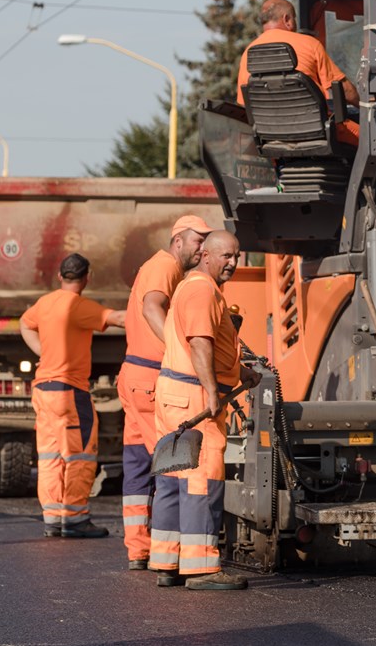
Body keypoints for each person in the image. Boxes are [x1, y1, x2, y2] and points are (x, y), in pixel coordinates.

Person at [149, 231, 261, 590]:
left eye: (237, 255)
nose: (232, 262)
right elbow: (199, 342)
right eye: (226, 255)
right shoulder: (202, 290)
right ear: (205, 256)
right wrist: (213, 390)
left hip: (176, 393)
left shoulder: (191, 287)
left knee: (172, 477)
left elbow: (201, 345)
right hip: (195, 396)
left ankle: (166, 562)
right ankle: (200, 569)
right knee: (201, 481)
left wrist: (239, 372)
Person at [117, 214, 214, 571]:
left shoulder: (160, 267)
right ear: (178, 241)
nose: (201, 248)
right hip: (149, 378)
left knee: (138, 463)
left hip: (135, 375)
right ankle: (168, 552)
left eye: (206, 242)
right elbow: (151, 306)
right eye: (196, 241)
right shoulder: (165, 267)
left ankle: (140, 548)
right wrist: (179, 348)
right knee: (171, 462)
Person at [20, 253, 125, 538]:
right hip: (70, 391)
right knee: (79, 454)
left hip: (43, 389)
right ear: (87, 277)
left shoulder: (45, 303)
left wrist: (44, 352)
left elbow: (24, 324)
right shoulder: (78, 306)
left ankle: (53, 519)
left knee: (50, 455)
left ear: (60, 276)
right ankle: (76, 518)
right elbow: (116, 318)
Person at [236, 0, 360, 144]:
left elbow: (244, 105)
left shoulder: (248, 54)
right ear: (287, 19)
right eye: (294, 18)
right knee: (374, 141)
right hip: (318, 134)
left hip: (272, 140)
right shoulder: (309, 44)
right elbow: (345, 90)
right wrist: (365, 105)